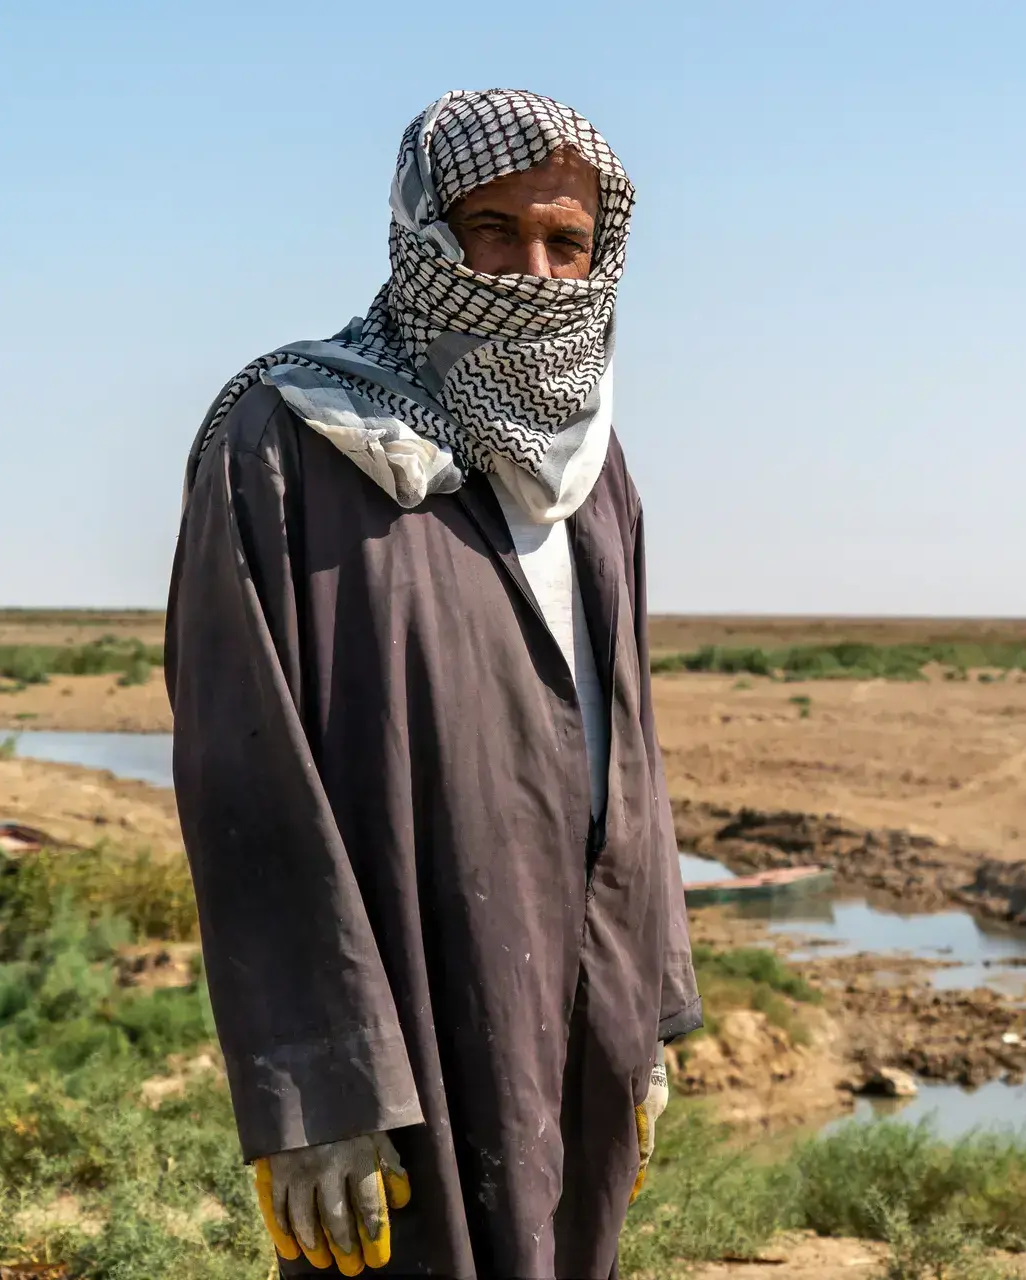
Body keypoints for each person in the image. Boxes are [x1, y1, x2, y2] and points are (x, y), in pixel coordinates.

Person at [166, 89, 700, 1278]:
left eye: (570, 241)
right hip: (408, 996)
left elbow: (633, 745)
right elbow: (248, 783)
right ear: (422, 235)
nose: (537, 273)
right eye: (495, 231)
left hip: (582, 988)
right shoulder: (287, 438)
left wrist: (651, 1007)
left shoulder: (594, 472)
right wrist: (317, 1086)